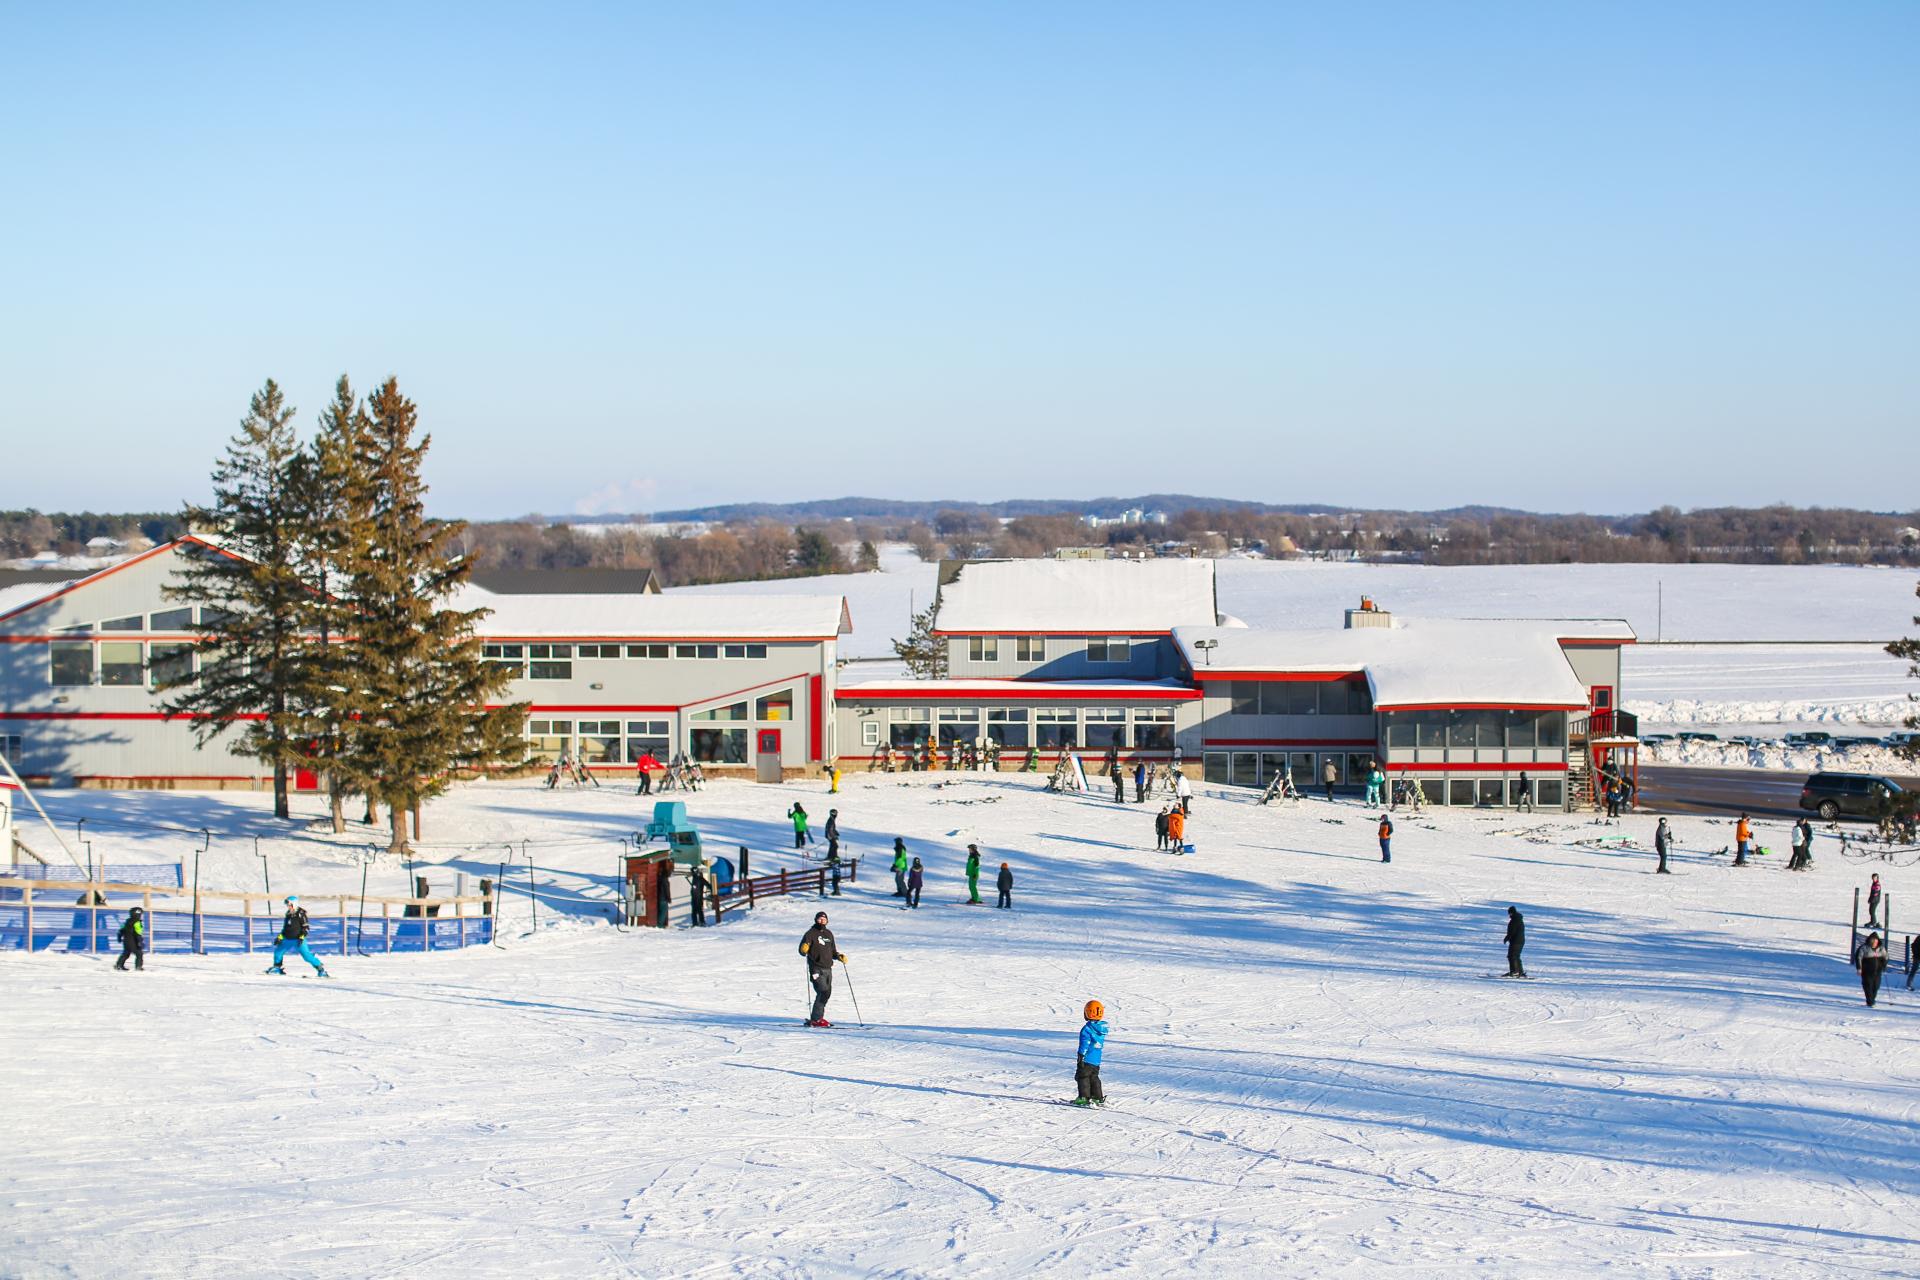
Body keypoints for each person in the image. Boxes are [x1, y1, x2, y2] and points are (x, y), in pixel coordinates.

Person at [798, 911, 845, 1027]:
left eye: (824, 919)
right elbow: (802, 950)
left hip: (828, 968)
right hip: (816, 968)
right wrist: (804, 949)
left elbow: (832, 951)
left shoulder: (829, 934)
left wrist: (839, 956)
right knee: (822, 991)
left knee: (827, 993)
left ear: (827, 921)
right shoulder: (810, 933)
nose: (822, 921)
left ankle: (818, 1018)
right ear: (815, 920)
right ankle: (816, 1019)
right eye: (820, 919)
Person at [266, 895, 328, 977]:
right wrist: (280, 937)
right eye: (287, 905)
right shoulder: (288, 914)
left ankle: (321, 970)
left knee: (307, 956)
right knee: (278, 952)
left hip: (298, 940)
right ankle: (277, 968)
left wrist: (302, 937)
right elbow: (285, 929)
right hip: (287, 939)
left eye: (289, 905)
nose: (288, 907)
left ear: (294, 904)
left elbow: (306, 928)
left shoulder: (301, 914)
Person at [1073, 999, 1109, 1107]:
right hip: (1096, 1060)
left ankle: (1084, 1097)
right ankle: (1097, 1097)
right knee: (1094, 1078)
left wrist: (1081, 1056)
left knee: (1082, 1077)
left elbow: (1085, 1043)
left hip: (1087, 1058)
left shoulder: (1087, 1029)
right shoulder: (1101, 1029)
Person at [1856, 932, 1888, 1008]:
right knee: (1868, 985)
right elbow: (1858, 958)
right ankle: (1870, 1001)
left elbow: (1886, 957)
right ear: (1869, 940)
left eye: (1876, 940)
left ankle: (1872, 999)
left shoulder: (1881, 948)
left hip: (1877, 971)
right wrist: (1859, 968)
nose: (1874, 942)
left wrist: (1884, 965)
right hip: (1866, 971)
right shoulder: (1864, 948)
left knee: (1876, 986)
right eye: (1872, 940)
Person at [114, 906, 145, 972]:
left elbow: (121, 930)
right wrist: (140, 942)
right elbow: (138, 933)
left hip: (126, 940)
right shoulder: (137, 922)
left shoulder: (127, 921)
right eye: (141, 914)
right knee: (139, 953)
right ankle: (138, 967)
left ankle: (119, 965)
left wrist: (119, 937)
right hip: (133, 941)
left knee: (126, 953)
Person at [1504, 906, 1527, 977]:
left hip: (1516, 941)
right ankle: (1520, 971)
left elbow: (1512, 931)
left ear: (1511, 913)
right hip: (1520, 940)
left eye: (1509, 913)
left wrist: (1507, 938)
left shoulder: (1514, 920)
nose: (1509, 915)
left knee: (1512, 956)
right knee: (1516, 956)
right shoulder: (1519, 919)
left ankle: (1515, 971)